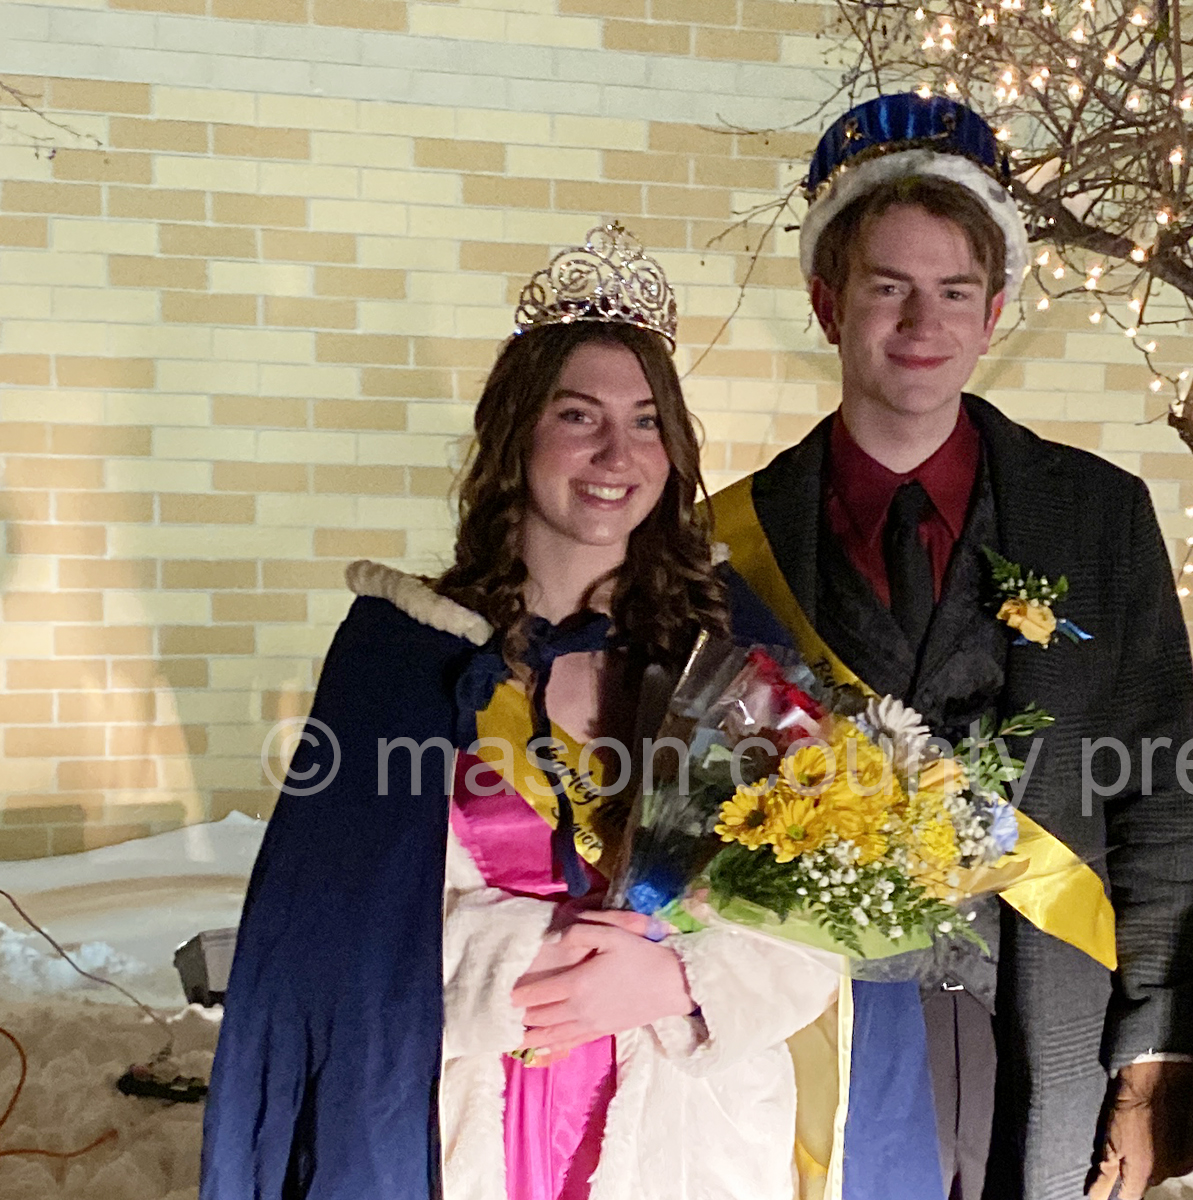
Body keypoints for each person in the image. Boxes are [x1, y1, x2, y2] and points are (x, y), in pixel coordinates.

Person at [200, 225, 847, 1200]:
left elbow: (825, 903)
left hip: (679, 1132)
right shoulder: (405, 652)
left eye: (644, 421)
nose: (614, 453)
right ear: (516, 432)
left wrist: (678, 984)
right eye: (578, 415)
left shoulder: (729, 642)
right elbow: (329, 940)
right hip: (465, 1117)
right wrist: (530, 969)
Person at [711, 94, 1193, 1200]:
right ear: (824, 303)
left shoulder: (1098, 517)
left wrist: (1154, 1055)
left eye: (952, 292)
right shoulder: (727, 544)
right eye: (886, 287)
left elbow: (1161, 797)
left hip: (1046, 1028)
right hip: (822, 1033)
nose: (919, 322)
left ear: (992, 315)